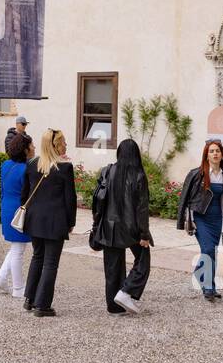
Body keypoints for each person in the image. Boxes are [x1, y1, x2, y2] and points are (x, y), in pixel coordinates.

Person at [92, 139, 154, 315]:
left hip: (109, 227)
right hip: (132, 228)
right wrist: (144, 234)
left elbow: (98, 200)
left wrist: (97, 223)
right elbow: (142, 208)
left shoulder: (107, 171)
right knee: (143, 261)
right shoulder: (138, 175)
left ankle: (114, 307)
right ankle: (126, 292)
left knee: (112, 267)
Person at [176, 138, 223, 302]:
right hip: (200, 218)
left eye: (217, 151)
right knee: (208, 250)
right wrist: (188, 220)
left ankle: (203, 277)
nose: (215, 153)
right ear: (206, 155)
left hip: (216, 219)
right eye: (211, 151)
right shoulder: (197, 174)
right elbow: (187, 199)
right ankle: (209, 288)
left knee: (212, 252)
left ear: (222, 154)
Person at [20, 129, 77, 317]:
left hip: (35, 219)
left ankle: (29, 298)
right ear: (55, 145)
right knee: (50, 263)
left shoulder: (31, 165)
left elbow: (25, 194)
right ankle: (42, 304)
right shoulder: (65, 168)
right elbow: (70, 199)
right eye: (63, 143)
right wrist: (71, 222)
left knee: (37, 257)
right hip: (55, 220)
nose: (65, 146)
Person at [0, 134, 31, 299]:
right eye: (31, 146)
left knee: (16, 247)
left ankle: (2, 277)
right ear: (25, 149)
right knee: (18, 250)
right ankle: (18, 288)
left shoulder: (5, 165)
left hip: (7, 206)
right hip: (19, 210)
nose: (34, 148)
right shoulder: (26, 169)